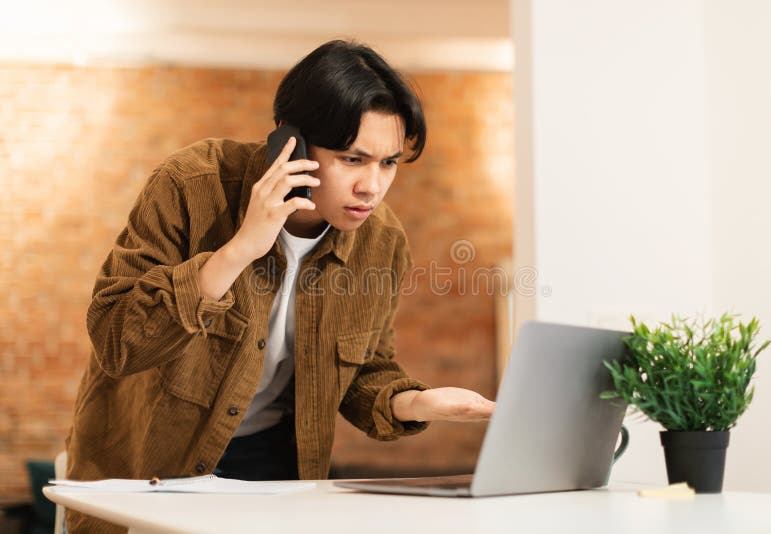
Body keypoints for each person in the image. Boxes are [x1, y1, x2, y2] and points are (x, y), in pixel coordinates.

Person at [65, 40, 495, 533]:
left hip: (275, 473)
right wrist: (241, 247)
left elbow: (363, 369)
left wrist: (415, 403)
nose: (372, 187)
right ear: (290, 144)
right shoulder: (191, 185)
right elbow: (118, 341)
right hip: (151, 467)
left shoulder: (382, 243)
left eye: (388, 163)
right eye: (353, 160)